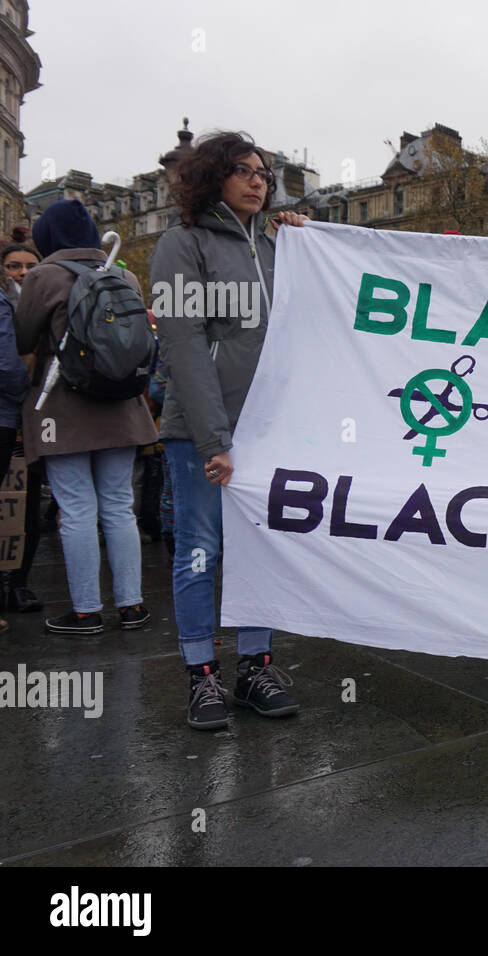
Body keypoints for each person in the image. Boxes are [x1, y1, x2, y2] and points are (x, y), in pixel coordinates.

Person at [149, 131, 308, 730]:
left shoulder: (278, 246)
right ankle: (201, 674)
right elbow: (183, 345)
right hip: (200, 431)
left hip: (268, 428)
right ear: (212, 176)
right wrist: (216, 440)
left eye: (264, 172)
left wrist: (305, 238)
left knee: (257, 546)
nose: (258, 180)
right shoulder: (177, 245)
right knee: (199, 548)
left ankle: (253, 666)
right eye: (242, 170)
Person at [13, 200, 158, 634]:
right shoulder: (125, 274)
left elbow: (23, 336)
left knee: (75, 509)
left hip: (63, 406)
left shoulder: (43, 276)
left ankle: (85, 611)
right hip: (121, 405)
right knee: (118, 506)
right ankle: (132, 606)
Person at [0, 233, 46, 612]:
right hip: (11, 416)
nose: (22, 273)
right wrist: (26, 395)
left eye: (30, 266)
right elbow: (7, 366)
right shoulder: (3, 304)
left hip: (28, 420)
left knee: (28, 506)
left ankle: (19, 582)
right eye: (14, 265)